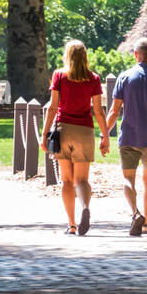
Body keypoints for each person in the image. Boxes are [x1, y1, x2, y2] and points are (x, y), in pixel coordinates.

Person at [40, 40, 109, 235]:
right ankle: (85, 207)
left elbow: (53, 107)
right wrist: (105, 136)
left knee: (67, 181)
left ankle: (71, 224)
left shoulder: (59, 76)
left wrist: (44, 134)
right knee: (82, 180)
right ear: (85, 56)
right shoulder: (93, 78)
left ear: (67, 56)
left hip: (64, 130)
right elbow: (98, 110)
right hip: (84, 131)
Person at [105, 37, 147, 236]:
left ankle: (135, 213)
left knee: (128, 178)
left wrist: (104, 135)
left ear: (136, 54)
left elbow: (114, 111)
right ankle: (146, 221)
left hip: (128, 138)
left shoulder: (125, 77)